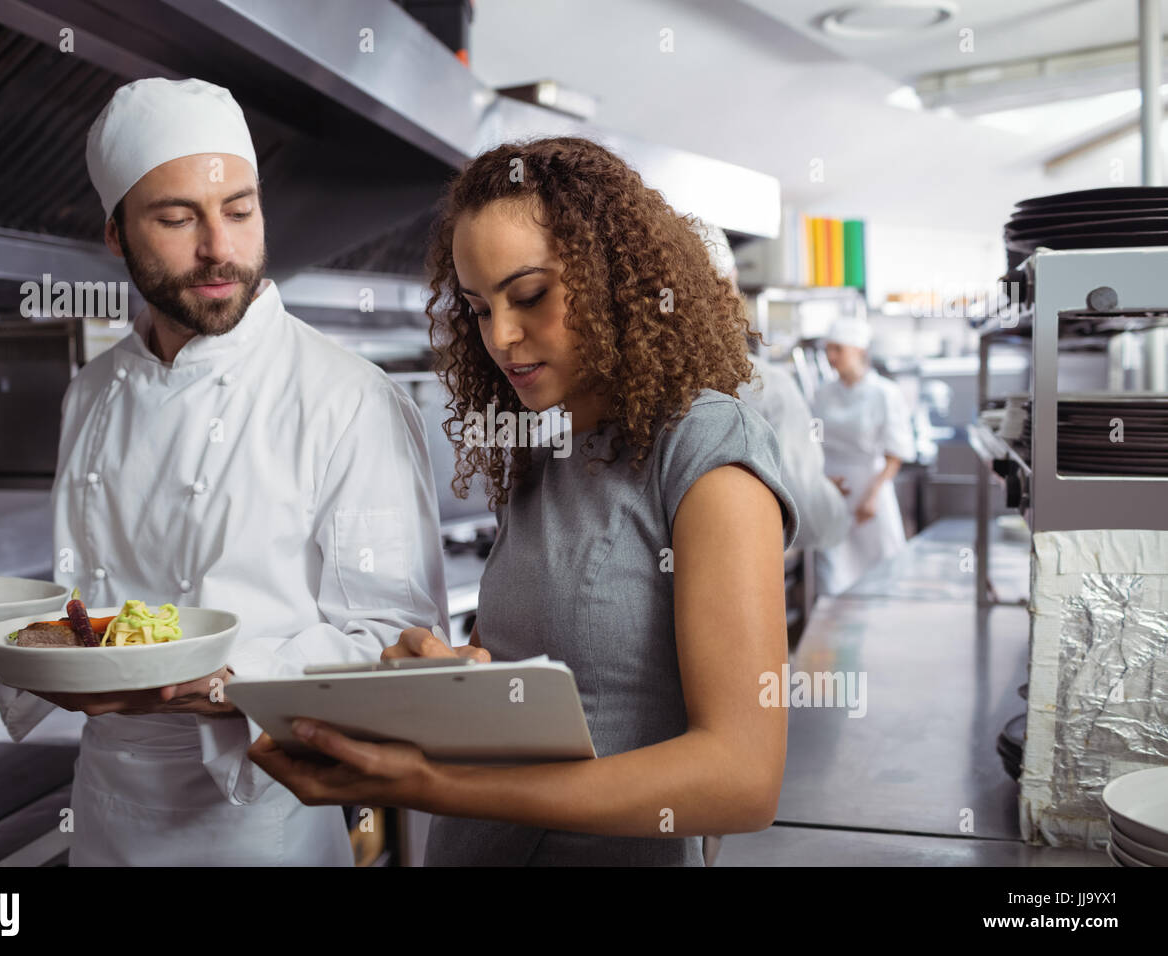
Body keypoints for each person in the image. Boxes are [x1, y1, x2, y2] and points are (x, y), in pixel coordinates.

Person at [0, 77, 448, 866]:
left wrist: (224, 680)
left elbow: (398, 643)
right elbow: (86, 618)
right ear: (118, 235)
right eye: (177, 217)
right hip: (105, 813)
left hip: (264, 827)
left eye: (238, 210)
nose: (219, 248)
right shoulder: (90, 391)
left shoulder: (345, 397)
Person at [248, 136, 800, 866]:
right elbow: (559, 690)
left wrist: (439, 783)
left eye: (530, 295)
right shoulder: (547, 444)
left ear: (611, 278)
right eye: (478, 309)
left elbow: (742, 778)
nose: (501, 338)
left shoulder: (703, 446)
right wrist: (441, 690)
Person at [696, 220, 850, 553]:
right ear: (728, 287)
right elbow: (811, 515)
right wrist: (832, 501)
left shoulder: (616, 391)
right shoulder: (768, 387)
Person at [810, 317, 916, 596]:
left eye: (838, 349)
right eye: (828, 350)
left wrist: (873, 495)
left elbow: (896, 452)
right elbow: (813, 442)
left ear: (859, 351)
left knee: (881, 573)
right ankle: (832, 638)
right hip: (833, 489)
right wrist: (822, 479)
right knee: (833, 576)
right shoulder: (823, 394)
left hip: (871, 489)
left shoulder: (885, 393)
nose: (831, 357)